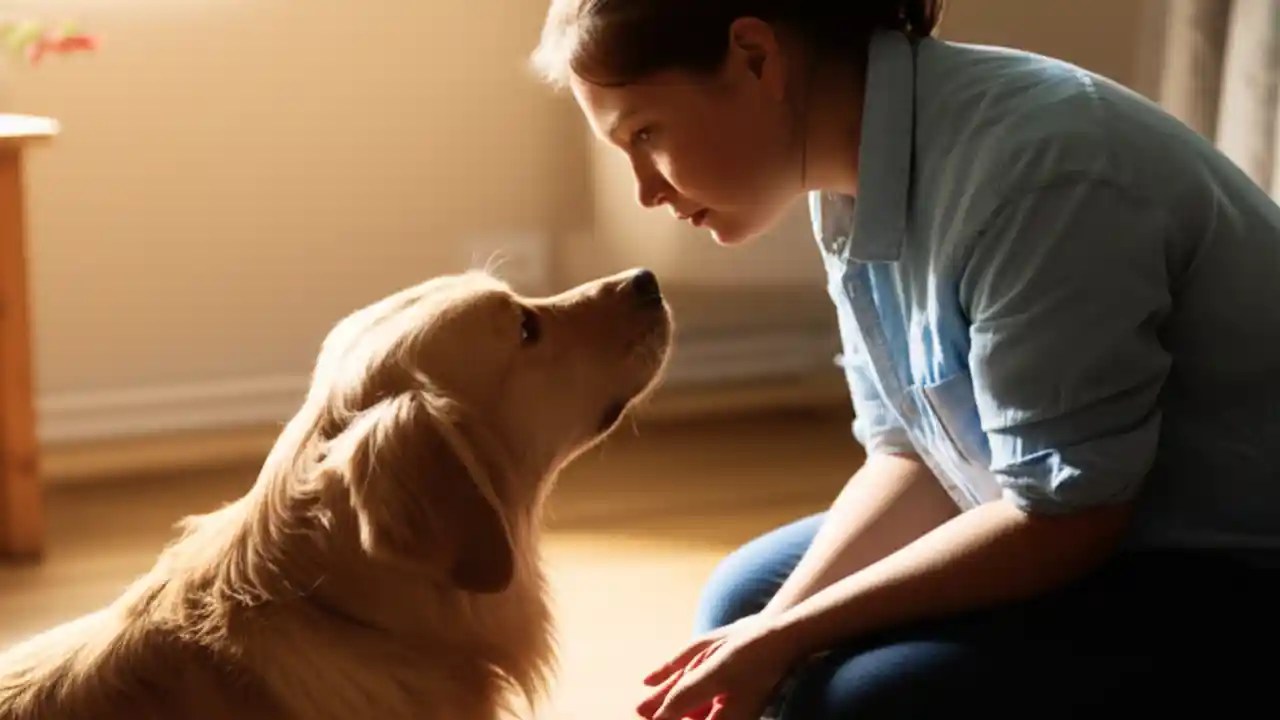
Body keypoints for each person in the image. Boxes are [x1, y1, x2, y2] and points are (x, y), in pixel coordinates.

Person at [529, 1, 1280, 718]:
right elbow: (912, 453)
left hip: (1219, 557)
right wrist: (772, 633)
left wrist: (791, 637)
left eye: (644, 134)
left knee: (860, 698)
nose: (645, 190)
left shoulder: (1041, 171)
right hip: (1065, 518)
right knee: (742, 606)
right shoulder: (847, 173)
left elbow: (1070, 512)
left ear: (755, 59)